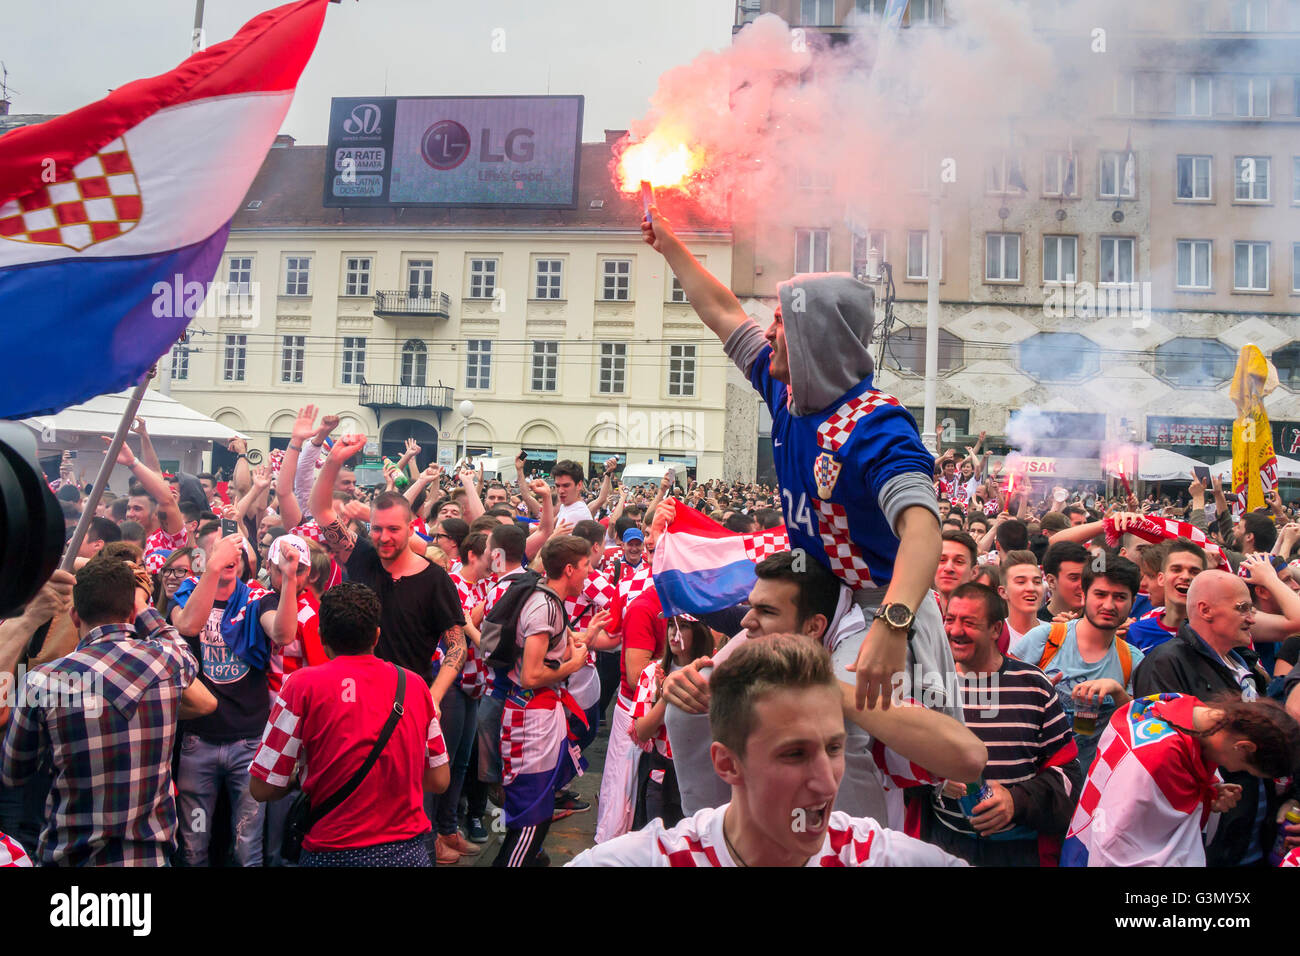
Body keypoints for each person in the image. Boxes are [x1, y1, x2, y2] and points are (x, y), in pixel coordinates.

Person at [642, 204, 952, 720]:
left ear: (814, 339)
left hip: (879, 608)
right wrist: (669, 242)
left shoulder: (877, 424)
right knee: (694, 706)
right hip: (811, 600)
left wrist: (893, 625)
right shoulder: (784, 391)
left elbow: (924, 532)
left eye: (780, 322)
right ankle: (726, 806)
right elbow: (722, 311)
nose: (765, 334)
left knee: (843, 725)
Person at [567, 636, 968, 867]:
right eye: (794, 754)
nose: (828, 782)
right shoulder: (656, 859)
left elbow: (968, 758)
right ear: (727, 763)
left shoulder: (870, 855)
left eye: (834, 748)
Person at [663, 551, 985, 828]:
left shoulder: (860, 708)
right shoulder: (746, 684)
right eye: (751, 606)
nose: (747, 621)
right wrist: (681, 687)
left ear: (814, 626)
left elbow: (966, 759)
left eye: (767, 611)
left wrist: (822, 687)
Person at [1, 559, 216, 865]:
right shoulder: (167, 661)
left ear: (75, 616)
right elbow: (176, 642)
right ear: (131, 613)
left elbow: (12, 772)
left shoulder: (43, 681)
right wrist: (142, 603)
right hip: (148, 858)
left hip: (72, 859)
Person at [248, 582, 449, 866]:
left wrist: (302, 777)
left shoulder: (301, 686)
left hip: (331, 853)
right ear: (377, 636)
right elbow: (439, 780)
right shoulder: (414, 686)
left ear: (320, 636)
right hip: (408, 852)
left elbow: (262, 787)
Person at [923, 584, 1082, 866]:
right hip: (944, 846)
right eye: (950, 619)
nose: (955, 630)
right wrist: (934, 778)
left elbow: (1067, 773)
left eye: (969, 622)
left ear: (996, 629)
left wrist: (1015, 800)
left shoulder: (1034, 685)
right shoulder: (928, 684)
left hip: (1018, 852)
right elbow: (897, 764)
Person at [1131, 566, 1280, 866]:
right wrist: (1209, 791)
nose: (1251, 618)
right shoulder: (1165, 664)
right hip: (1205, 845)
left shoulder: (1246, 664)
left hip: (1253, 837)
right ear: (1205, 609)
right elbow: (1159, 759)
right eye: (1242, 608)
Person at [169, 529, 299, 866]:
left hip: (248, 742)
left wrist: (287, 580)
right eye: (220, 550)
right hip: (199, 743)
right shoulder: (186, 594)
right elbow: (187, 626)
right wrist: (211, 572)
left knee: (246, 845)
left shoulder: (257, 599)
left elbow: (284, 633)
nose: (230, 556)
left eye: (236, 552)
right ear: (206, 559)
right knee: (194, 843)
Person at [310, 438, 466, 715]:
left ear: (410, 528)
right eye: (377, 529)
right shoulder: (361, 556)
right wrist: (333, 462)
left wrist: (434, 696)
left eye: (393, 529)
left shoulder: (435, 579)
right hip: (355, 701)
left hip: (408, 703)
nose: (384, 538)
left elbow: (457, 645)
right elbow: (322, 511)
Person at [1062, 694, 1300, 866]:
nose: (1229, 768)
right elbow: (1116, 844)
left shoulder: (1176, 705)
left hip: (1086, 833)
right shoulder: (1155, 759)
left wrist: (1209, 793)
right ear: (1243, 746)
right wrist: (1203, 797)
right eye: (1245, 767)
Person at [494, 535, 608, 867]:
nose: (589, 573)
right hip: (531, 718)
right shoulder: (544, 607)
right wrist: (573, 666)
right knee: (531, 813)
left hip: (541, 715)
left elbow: (556, 650)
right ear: (570, 569)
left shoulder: (549, 601)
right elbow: (531, 674)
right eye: (586, 566)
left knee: (540, 806)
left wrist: (587, 637)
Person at [1010, 557, 1145, 773]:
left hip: (1092, 783)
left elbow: (1140, 726)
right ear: (1084, 595)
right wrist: (1035, 690)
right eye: (1100, 594)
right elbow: (999, 694)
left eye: (1120, 597)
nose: (1108, 605)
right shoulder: (1046, 638)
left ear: (1133, 601)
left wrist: (1117, 692)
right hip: (1034, 777)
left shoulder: (1133, 660)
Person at [629, 614, 715, 830]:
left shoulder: (714, 669)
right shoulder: (652, 672)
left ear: (700, 632)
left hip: (703, 775)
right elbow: (641, 732)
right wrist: (666, 696)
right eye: (670, 625)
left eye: (683, 626)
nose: (674, 633)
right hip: (662, 776)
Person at [1125, 539, 1206, 653]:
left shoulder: (1214, 634)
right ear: (1161, 578)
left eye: (1194, 572)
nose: (1185, 576)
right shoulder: (1136, 633)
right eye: (1176, 569)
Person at [998, 550, 1045, 646]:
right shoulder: (993, 637)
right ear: (1003, 592)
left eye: (1037, 582)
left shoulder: (1057, 635)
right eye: (1021, 582)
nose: (1031, 588)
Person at [1038, 541, 1088, 622]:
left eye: (1086, 577)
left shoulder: (1101, 621)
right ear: (1051, 581)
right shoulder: (1033, 626)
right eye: (1074, 578)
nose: (1083, 584)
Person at [935, 530, 978, 614]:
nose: (948, 568)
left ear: (973, 572)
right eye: (942, 560)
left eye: (959, 561)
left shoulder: (983, 618)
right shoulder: (921, 614)